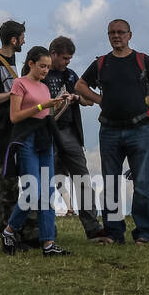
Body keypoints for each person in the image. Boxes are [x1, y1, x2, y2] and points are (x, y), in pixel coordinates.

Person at [75, 19, 149, 246]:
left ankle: (143, 233)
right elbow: (80, 85)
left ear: (130, 35)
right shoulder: (102, 63)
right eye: (112, 32)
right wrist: (99, 100)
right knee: (110, 181)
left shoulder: (142, 60)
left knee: (142, 183)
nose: (116, 36)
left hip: (139, 129)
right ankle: (113, 233)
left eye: (121, 32)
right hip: (109, 129)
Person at [0, 46, 72, 257]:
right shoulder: (19, 84)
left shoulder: (45, 87)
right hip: (26, 141)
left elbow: (47, 116)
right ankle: (9, 231)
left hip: (44, 140)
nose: (45, 70)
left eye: (48, 67)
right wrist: (42, 106)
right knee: (32, 192)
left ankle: (48, 244)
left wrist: (59, 104)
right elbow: (15, 117)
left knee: (47, 194)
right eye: (42, 66)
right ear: (30, 63)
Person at [44, 36, 105, 240]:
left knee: (82, 179)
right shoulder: (41, 72)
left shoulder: (71, 75)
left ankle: (92, 227)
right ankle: (45, 229)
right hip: (46, 133)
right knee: (45, 183)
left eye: (70, 58)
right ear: (53, 54)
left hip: (70, 133)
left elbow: (89, 100)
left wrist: (76, 98)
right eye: (65, 58)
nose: (67, 62)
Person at [0, 20, 37, 240]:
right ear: (14, 40)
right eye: (22, 36)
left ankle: (29, 233)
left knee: (29, 183)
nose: (25, 40)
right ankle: (7, 235)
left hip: (20, 128)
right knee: (8, 187)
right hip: (3, 129)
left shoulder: (16, 63)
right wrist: (16, 93)